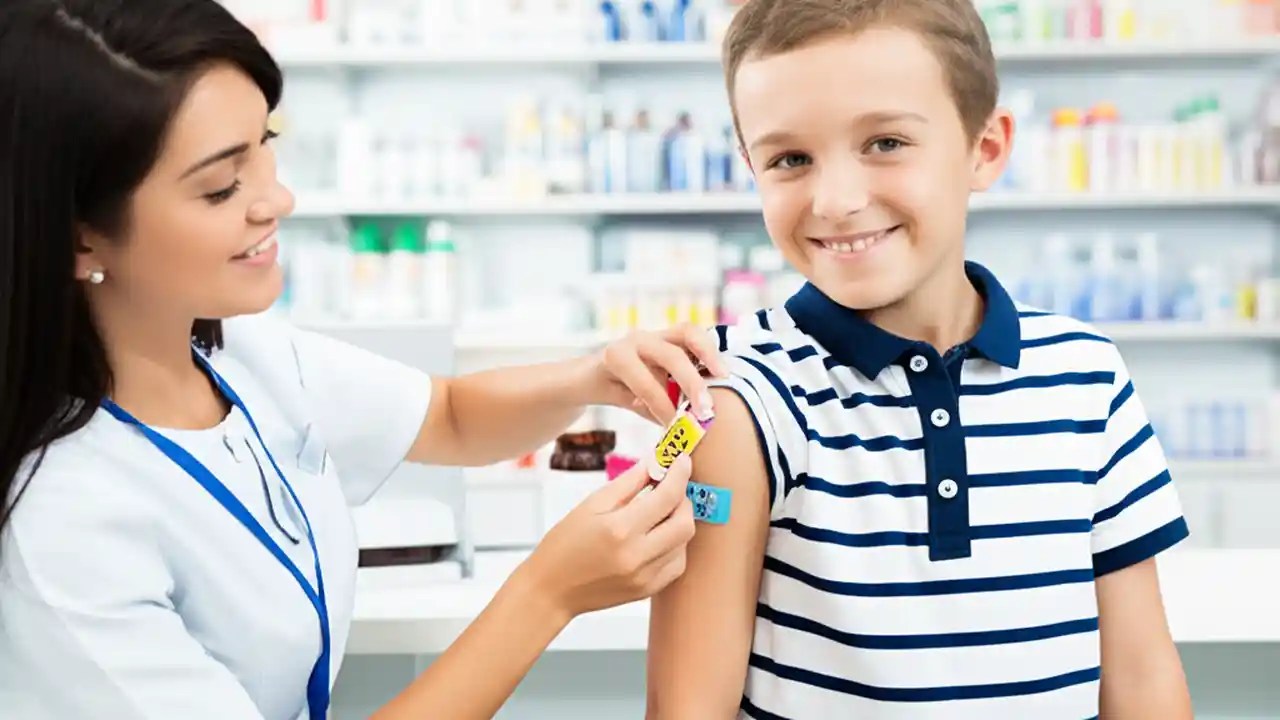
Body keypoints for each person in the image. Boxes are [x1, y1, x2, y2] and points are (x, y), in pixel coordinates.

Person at [0, 1, 727, 718]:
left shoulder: (236, 355)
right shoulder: (61, 530)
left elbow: (449, 416)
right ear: (79, 238)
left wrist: (594, 374)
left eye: (267, 144)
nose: (277, 198)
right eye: (223, 187)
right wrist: (549, 592)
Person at [646, 1, 1194, 718]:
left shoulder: (1087, 376)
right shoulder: (733, 395)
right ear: (750, 167)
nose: (837, 201)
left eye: (885, 143)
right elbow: (689, 711)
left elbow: (1144, 678)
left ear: (985, 148)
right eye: (790, 159)